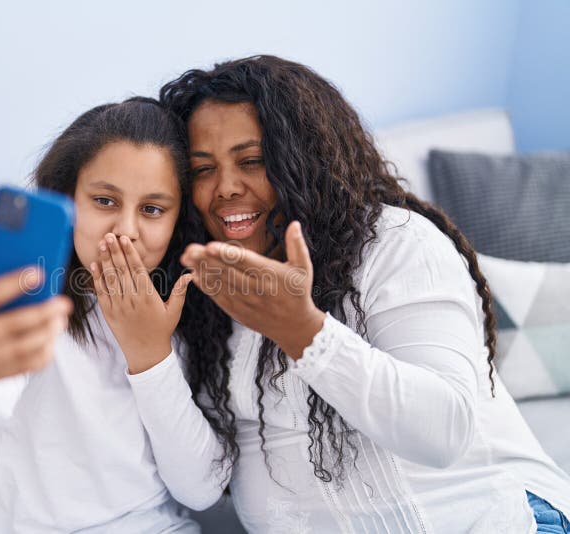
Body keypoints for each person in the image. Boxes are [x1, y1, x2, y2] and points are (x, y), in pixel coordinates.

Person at [125, 56, 570, 532]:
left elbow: (445, 432)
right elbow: (200, 486)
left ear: (305, 161)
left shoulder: (395, 243)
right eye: (202, 170)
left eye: (252, 161)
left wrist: (305, 333)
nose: (225, 188)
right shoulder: (202, 286)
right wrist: (149, 356)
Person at [0, 97, 219, 533]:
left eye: (152, 209)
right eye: (104, 201)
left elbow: (201, 489)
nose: (126, 232)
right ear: (68, 199)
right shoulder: (32, 293)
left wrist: (151, 354)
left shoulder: (188, 311)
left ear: (178, 222)